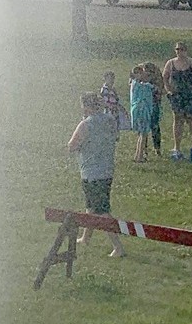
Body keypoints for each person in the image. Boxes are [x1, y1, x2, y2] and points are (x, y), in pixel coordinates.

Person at [66, 94, 126, 255]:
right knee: (91, 206)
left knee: (101, 210)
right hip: (107, 169)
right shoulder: (110, 120)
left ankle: (117, 246)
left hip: (92, 172)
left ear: (86, 106)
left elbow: (72, 146)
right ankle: (85, 238)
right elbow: (116, 137)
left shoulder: (85, 124)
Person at [162, 43, 192, 161]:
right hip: (177, 96)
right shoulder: (170, 63)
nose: (179, 51)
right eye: (177, 49)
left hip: (190, 95)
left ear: (185, 50)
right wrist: (169, 90)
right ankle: (177, 148)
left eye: (181, 49)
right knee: (178, 120)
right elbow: (165, 77)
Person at [129, 66, 155, 163]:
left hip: (138, 110)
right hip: (141, 110)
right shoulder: (138, 85)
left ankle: (138, 155)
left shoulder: (135, 84)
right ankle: (139, 156)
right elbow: (148, 88)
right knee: (143, 134)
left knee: (141, 134)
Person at [138, 61, 163, 156]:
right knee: (143, 127)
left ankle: (157, 149)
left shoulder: (156, 75)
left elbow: (160, 89)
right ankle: (143, 149)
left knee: (154, 126)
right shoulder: (138, 76)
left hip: (153, 103)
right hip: (143, 104)